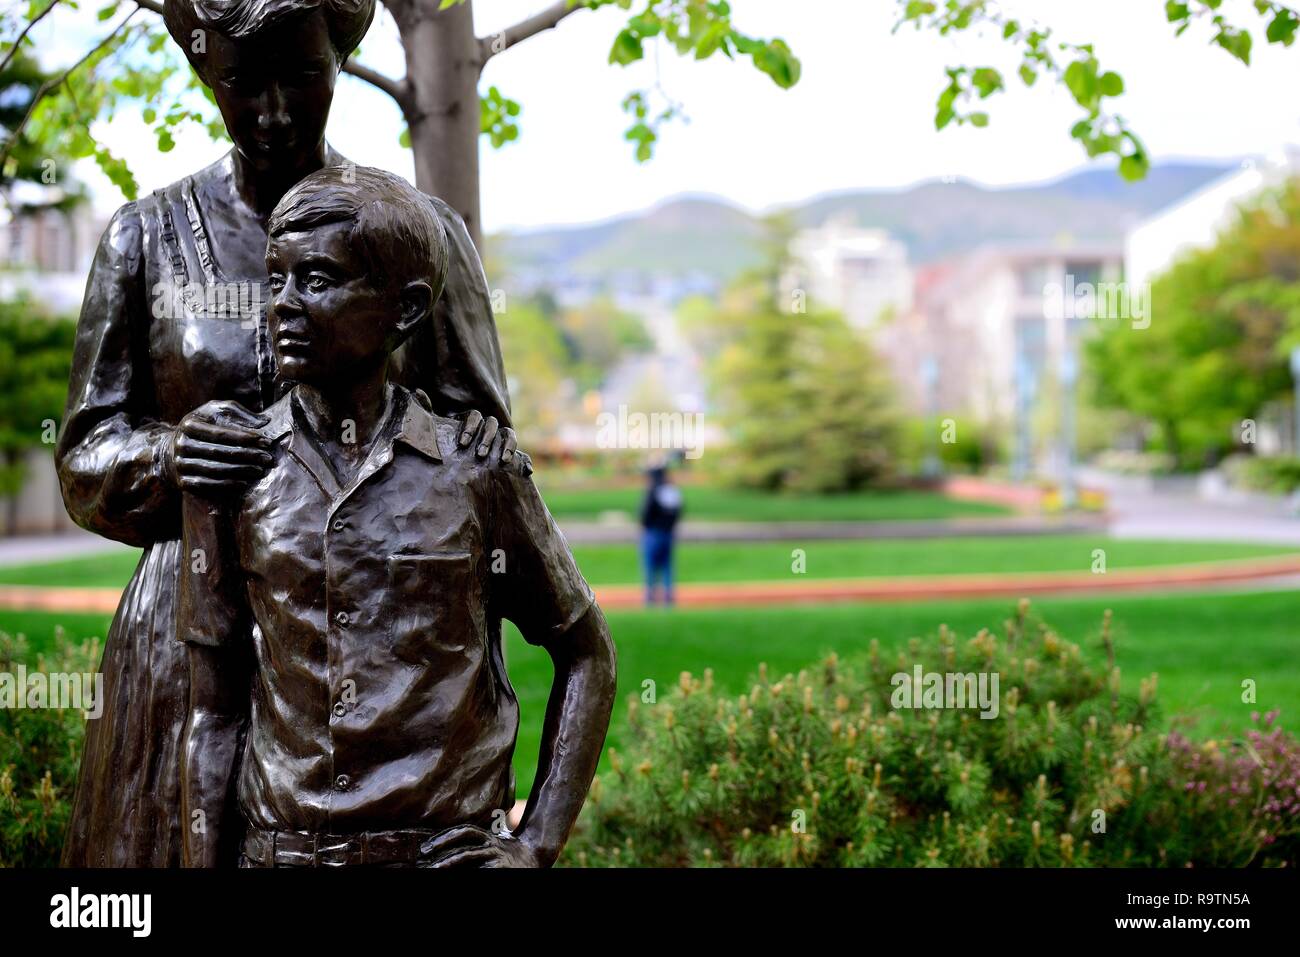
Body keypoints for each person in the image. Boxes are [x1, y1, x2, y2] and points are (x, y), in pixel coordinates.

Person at [56, 0, 512, 866]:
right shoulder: (143, 240)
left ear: (339, 59)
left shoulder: (423, 238)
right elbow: (83, 457)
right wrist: (169, 454)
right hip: (185, 640)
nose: (274, 112)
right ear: (206, 75)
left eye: (302, 77)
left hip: (375, 640)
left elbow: (481, 452)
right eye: (242, 83)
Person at [178, 166, 616, 867]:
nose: (284, 305)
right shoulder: (231, 474)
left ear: (405, 309)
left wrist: (534, 845)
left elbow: (587, 649)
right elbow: (213, 708)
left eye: (317, 281)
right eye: (275, 280)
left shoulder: (480, 471)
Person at [640, 461, 683, 606]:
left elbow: (645, 513)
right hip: (668, 533)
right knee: (667, 567)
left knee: (650, 567)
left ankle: (650, 599)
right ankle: (668, 599)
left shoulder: (653, 490)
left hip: (653, 532)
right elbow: (678, 511)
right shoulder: (671, 490)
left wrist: (645, 525)